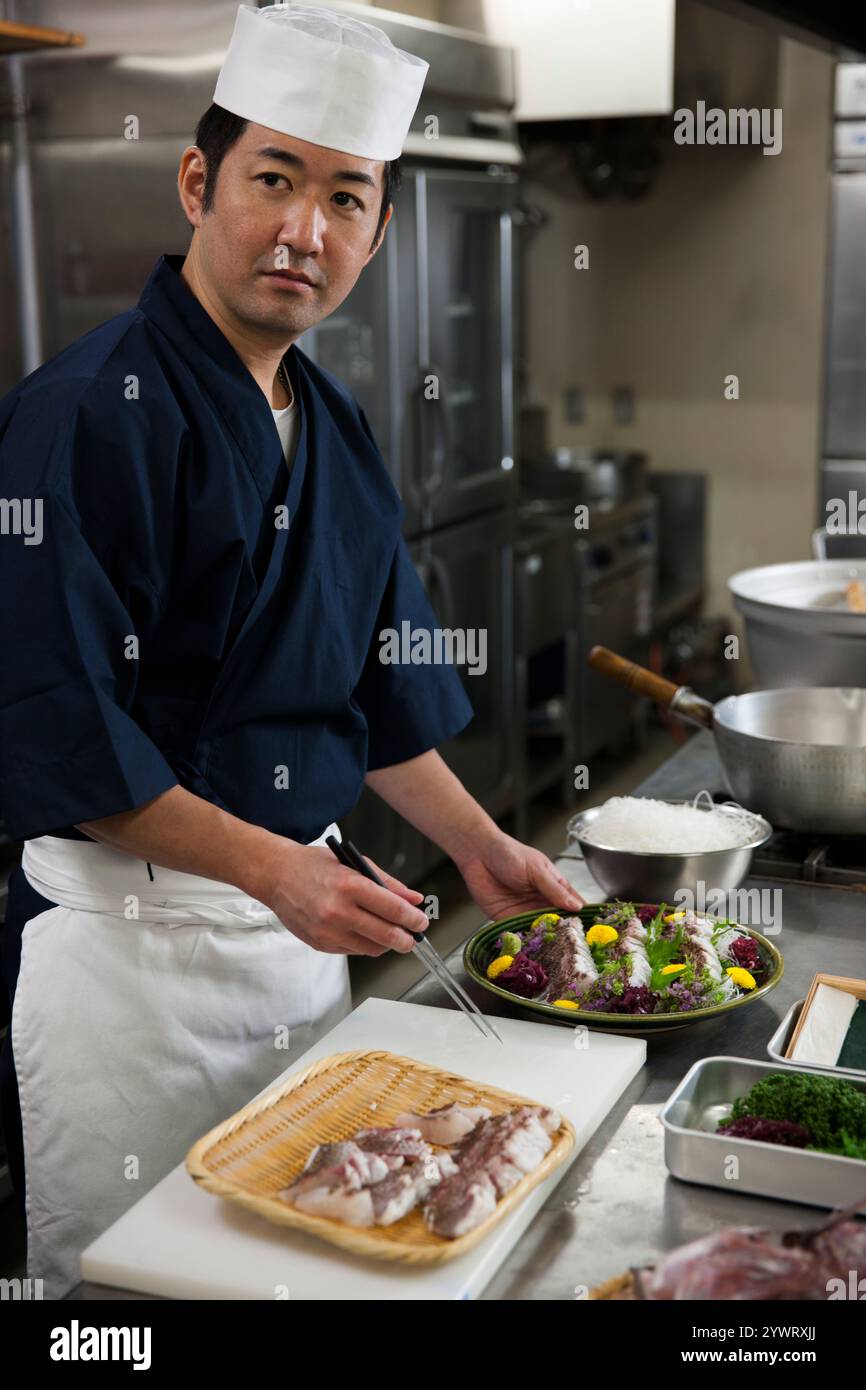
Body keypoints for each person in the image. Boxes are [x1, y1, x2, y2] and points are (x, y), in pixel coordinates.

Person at [0, 3, 584, 1298]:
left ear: (375, 235)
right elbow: (57, 731)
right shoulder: (82, 416)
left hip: (298, 954)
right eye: (273, 179)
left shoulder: (330, 418)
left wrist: (483, 844)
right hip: (126, 970)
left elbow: (373, 683)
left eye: (343, 199)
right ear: (200, 181)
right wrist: (281, 871)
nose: (301, 231)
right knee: (135, 1294)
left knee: (308, 1272)